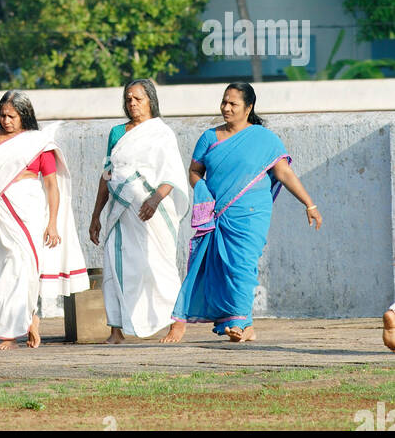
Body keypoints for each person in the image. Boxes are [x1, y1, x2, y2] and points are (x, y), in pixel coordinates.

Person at [166, 81, 322, 344]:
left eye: (233, 104)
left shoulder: (264, 139)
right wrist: (202, 189)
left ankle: (241, 322)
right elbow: (194, 172)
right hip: (218, 214)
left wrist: (309, 204)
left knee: (242, 266)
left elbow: (283, 172)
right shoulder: (208, 137)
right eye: (224, 102)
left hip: (250, 214)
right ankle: (240, 324)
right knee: (219, 268)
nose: (226, 108)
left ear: (248, 108)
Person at [0, 91, 89, 349]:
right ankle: (10, 332)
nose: (6, 120)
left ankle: (27, 318)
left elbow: (51, 185)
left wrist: (53, 222)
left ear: (24, 116)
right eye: (2, 115)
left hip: (29, 209)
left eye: (11, 116)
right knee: (1, 269)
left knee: (25, 269)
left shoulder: (37, 142)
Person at [88, 79, 189, 344]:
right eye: (128, 99)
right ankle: (116, 331)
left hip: (150, 212)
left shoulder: (161, 133)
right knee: (114, 263)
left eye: (138, 99)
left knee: (159, 265)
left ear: (150, 101)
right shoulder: (117, 133)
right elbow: (106, 174)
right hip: (118, 211)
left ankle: (177, 323)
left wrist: (155, 200)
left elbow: (172, 175)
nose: (132, 103)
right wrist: (95, 215)